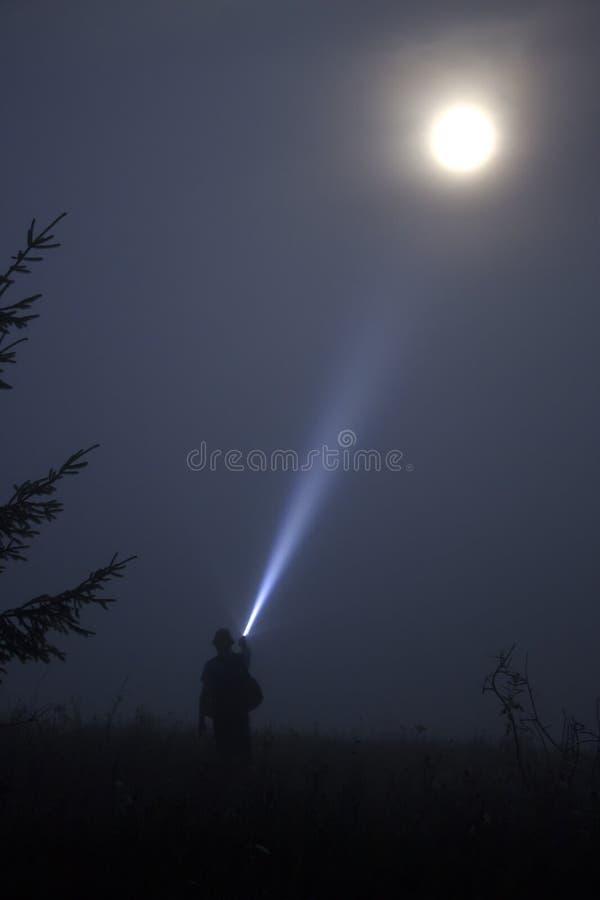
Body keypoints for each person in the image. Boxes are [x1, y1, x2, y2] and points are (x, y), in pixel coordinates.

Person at [198, 628, 253, 766]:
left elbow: (204, 693)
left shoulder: (211, 666)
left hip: (222, 716)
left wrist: (201, 718)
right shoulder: (238, 661)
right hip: (237, 715)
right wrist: (244, 646)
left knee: (226, 755)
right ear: (230, 644)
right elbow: (205, 693)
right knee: (241, 755)